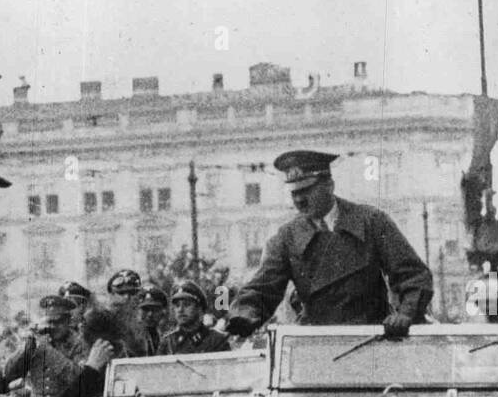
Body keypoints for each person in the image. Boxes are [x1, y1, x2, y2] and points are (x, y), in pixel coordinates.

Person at [224, 150, 433, 338]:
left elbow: (412, 275)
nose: (299, 200)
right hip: (317, 343)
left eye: (306, 191)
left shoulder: (371, 221)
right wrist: (244, 314)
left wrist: (406, 313)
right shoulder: (287, 237)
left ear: (329, 186)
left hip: (371, 340)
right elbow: (264, 288)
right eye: (294, 193)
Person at [161, 280, 230, 355]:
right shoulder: (168, 342)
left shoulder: (217, 340)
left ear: (199, 309)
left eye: (187, 305)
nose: (180, 310)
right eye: (177, 305)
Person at [135, 283, 169, 356]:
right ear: (137, 311)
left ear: (163, 312)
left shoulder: (168, 337)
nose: (150, 314)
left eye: (154, 309)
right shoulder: (131, 339)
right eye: (145, 309)